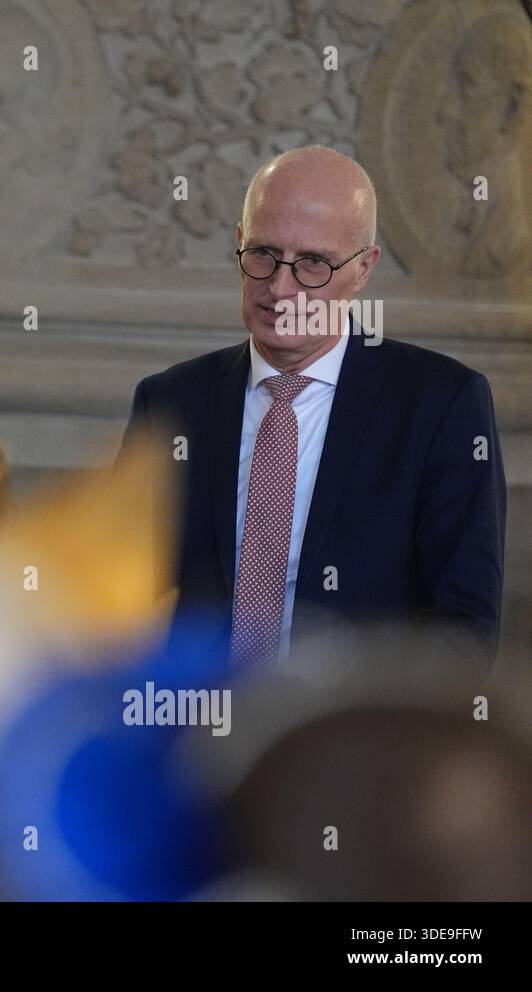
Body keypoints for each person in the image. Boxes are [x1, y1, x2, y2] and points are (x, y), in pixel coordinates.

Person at [119, 146, 505, 669]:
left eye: (313, 264)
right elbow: (115, 602)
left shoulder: (440, 404)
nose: (280, 288)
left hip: (353, 738)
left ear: (363, 269)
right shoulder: (170, 403)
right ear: (238, 243)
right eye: (262, 254)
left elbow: (463, 632)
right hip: (191, 731)